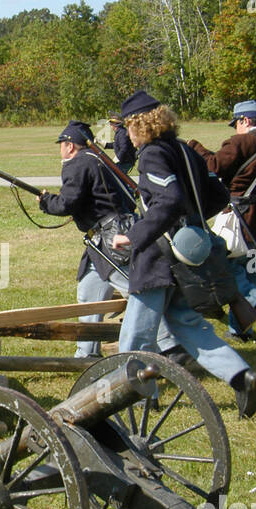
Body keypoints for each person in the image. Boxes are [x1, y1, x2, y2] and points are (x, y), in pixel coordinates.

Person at [108, 91, 256, 418]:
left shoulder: (151, 155)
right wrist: (189, 225)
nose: (126, 135)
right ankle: (240, 375)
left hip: (158, 257)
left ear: (140, 124)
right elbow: (217, 195)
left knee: (135, 338)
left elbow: (169, 199)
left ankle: (137, 403)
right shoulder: (185, 151)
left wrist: (135, 235)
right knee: (188, 325)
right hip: (186, 252)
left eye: (128, 127)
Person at [38, 121, 177, 357]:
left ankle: (170, 344)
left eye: (61, 144)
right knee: (88, 294)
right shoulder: (99, 160)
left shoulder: (77, 163)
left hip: (110, 240)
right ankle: (87, 352)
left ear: (70, 145)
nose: (60, 149)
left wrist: (45, 201)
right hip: (104, 238)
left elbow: (67, 203)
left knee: (138, 289)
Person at [193, 100, 256, 339]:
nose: (235, 128)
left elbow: (214, 166)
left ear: (245, 121)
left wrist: (194, 147)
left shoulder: (240, 141)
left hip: (244, 221)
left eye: (236, 123)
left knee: (228, 270)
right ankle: (239, 330)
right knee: (252, 272)